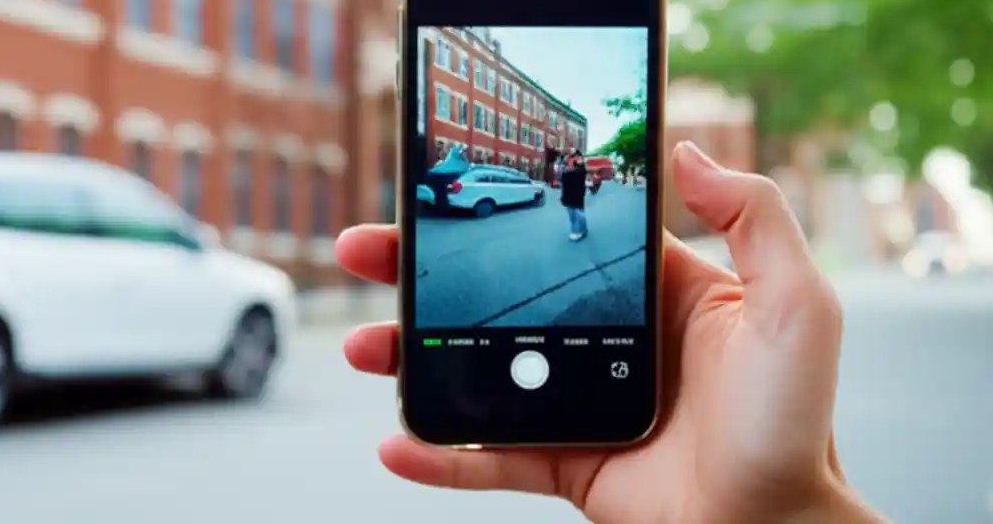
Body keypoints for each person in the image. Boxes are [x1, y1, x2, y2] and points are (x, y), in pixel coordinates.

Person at [334, 141, 884, 524]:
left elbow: (578, 181)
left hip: (573, 207)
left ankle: (576, 230)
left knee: (574, 223)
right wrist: (786, 515)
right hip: (572, 206)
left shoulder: (573, 171)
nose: (575, 161)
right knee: (573, 220)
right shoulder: (564, 173)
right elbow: (570, 182)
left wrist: (784, 511)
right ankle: (576, 228)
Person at [559, 149, 588, 240]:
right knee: (572, 215)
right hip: (568, 195)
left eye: (578, 157)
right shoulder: (567, 169)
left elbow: (579, 171)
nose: (576, 158)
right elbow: (562, 177)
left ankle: (579, 231)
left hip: (577, 195)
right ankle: (578, 230)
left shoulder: (580, 170)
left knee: (578, 214)